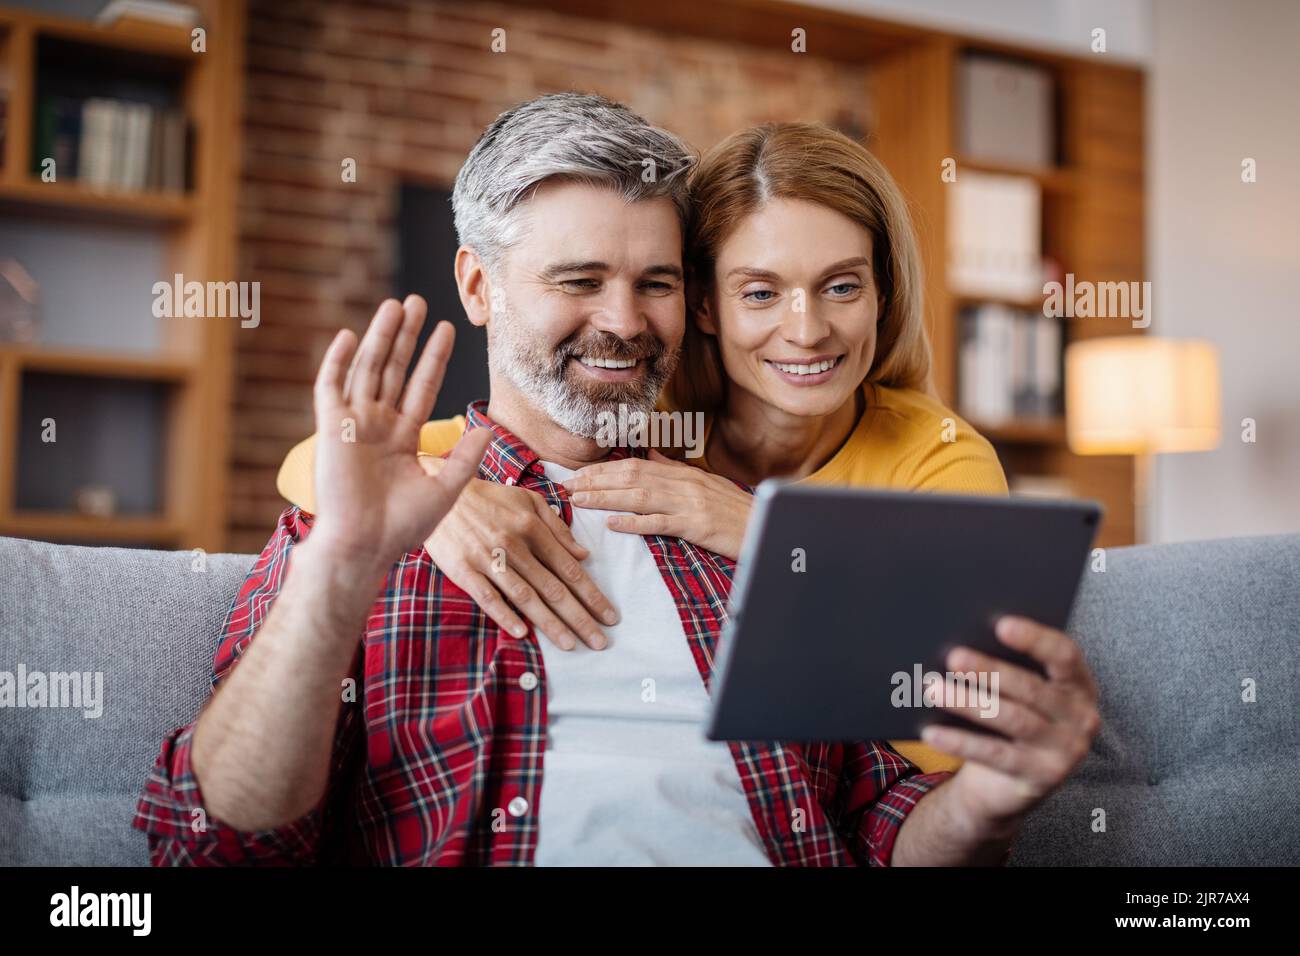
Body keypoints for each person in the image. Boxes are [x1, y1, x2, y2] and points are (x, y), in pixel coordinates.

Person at [136, 93, 1100, 866]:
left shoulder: (736, 531)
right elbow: (213, 844)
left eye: (658, 282)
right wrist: (347, 556)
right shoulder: (364, 529)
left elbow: (888, 828)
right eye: (578, 279)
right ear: (478, 285)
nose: (626, 322)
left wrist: (986, 800)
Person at [275, 122, 1010, 773]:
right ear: (704, 305)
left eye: (842, 288)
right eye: (759, 292)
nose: (807, 329)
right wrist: (444, 500)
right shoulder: (652, 415)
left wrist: (758, 531)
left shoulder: (938, 458)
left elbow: (951, 742)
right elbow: (320, 461)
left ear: (884, 293)